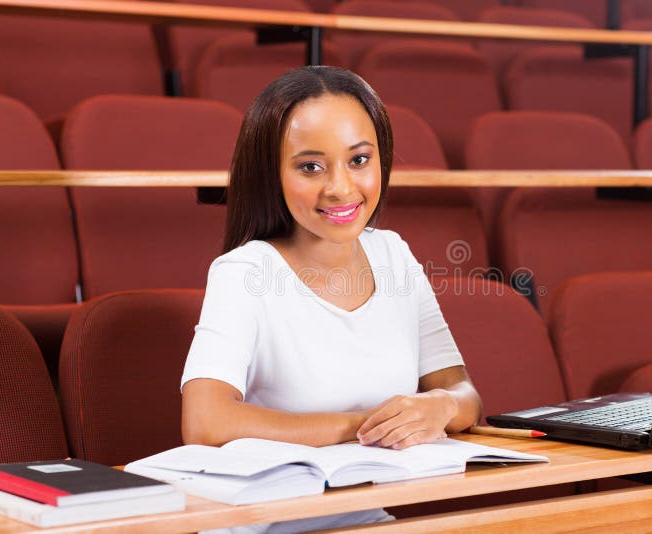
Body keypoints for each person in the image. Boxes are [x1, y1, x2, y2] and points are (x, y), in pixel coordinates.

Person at [180, 66, 482, 531]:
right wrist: (365, 426)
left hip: (365, 521)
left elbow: (464, 393)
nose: (340, 187)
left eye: (359, 160)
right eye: (310, 167)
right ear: (272, 173)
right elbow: (205, 421)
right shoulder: (245, 271)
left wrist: (440, 406)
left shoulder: (393, 254)